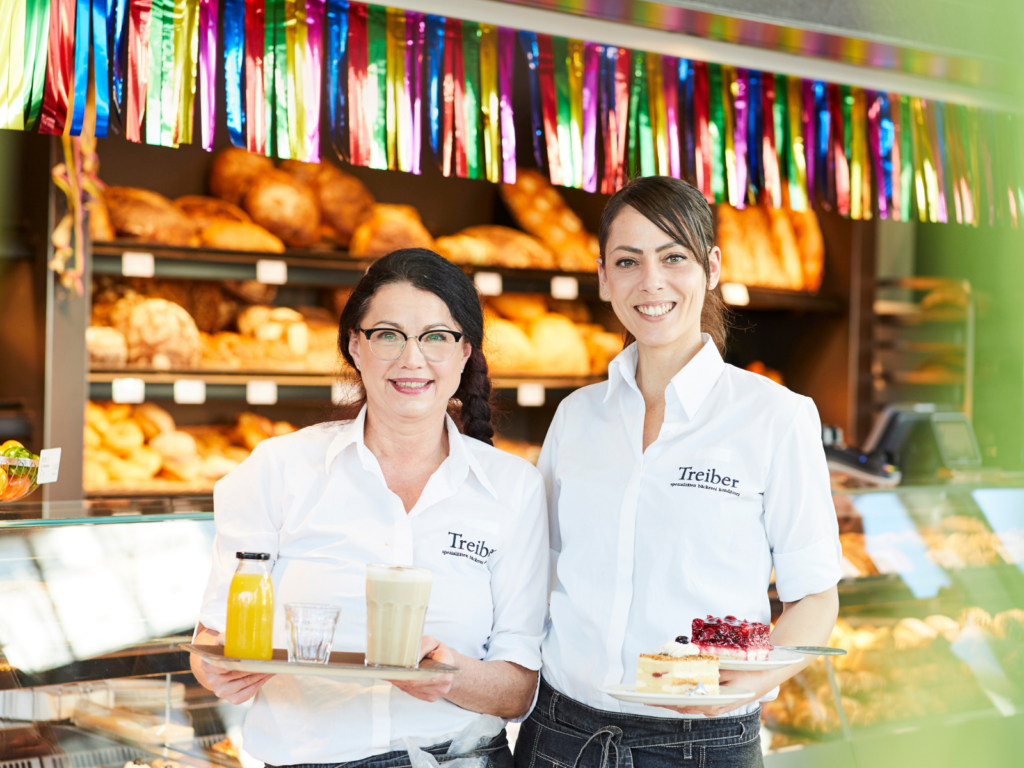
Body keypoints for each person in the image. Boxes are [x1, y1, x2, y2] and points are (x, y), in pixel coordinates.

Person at [515, 177, 842, 768]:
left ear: (711, 267)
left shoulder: (776, 417)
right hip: (561, 734)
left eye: (674, 257)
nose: (651, 282)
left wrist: (743, 687)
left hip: (702, 743)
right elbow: (538, 575)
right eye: (628, 261)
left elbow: (816, 598)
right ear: (603, 276)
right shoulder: (576, 417)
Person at [191, 249, 549, 768]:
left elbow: (517, 691)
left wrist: (450, 677)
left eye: (436, 337)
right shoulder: (279, 468)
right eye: (388, 335)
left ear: (465, 351)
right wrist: (217, 669)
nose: (411, 359)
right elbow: (214, 635)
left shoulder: (513, 488)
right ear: (355, 346)